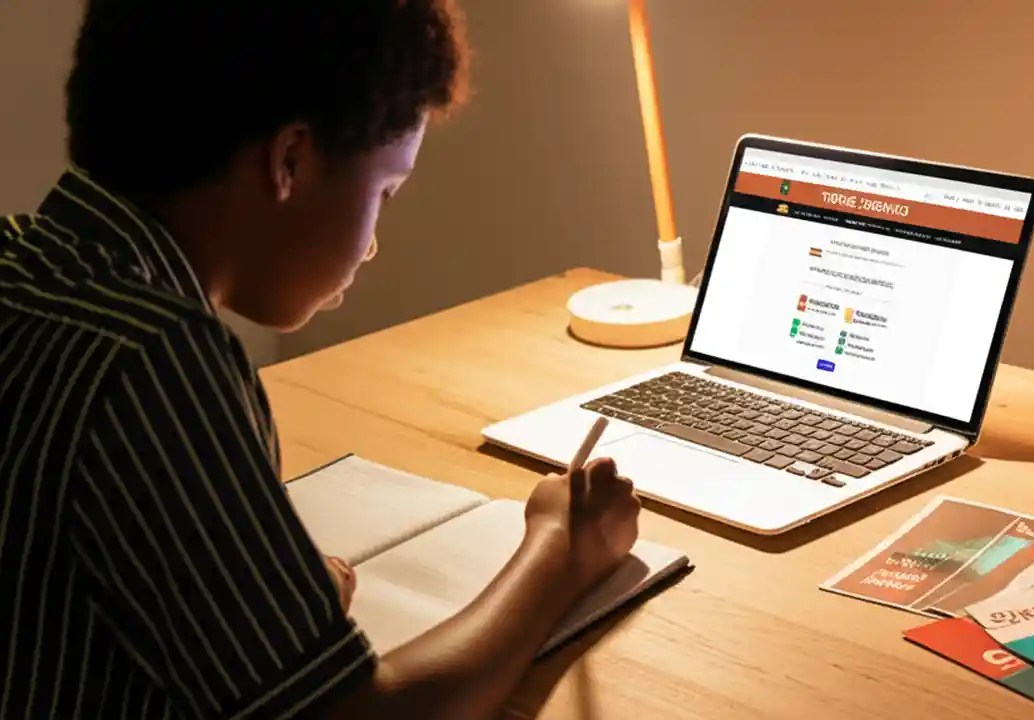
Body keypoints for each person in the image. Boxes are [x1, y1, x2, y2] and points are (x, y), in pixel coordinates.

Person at [0, 1, 641, 718]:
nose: (373, 241)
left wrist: (266, 614)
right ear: (291, 160)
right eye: (385, 193)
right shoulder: (152, 359)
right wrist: (559, 551)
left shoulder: (25, 265)